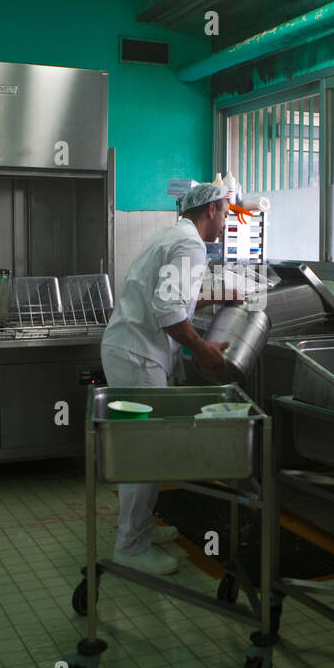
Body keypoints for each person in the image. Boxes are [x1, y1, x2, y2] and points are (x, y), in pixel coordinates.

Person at [99, 182, 233, 575]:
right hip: (139, 355)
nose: (226, 221)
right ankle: (131, 546)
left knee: (139, 447)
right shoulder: (190, 246)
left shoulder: (173, 236)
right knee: (146, 449)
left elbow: (171, 296)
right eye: (225, 212)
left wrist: (215, 298)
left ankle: (138, 527)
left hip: (130, 349)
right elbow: (168, 311)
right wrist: (202, 349)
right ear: (210, 210)